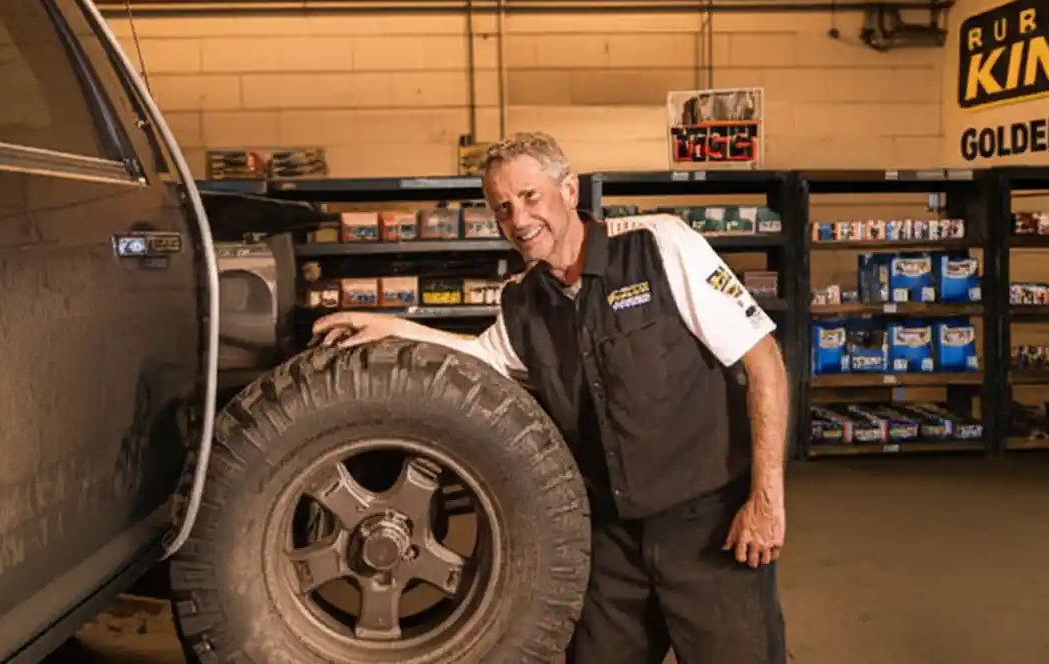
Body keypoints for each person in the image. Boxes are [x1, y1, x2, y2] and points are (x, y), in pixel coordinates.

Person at [312, 132, 789, 664]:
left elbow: (762, 359)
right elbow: (481, 360)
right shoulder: (524, 300)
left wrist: (766, 500)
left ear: (569, 189)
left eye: (530, 197)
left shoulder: (659, 245)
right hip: (610, 540)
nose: (518, 221)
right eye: (503, 209)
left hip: (709, 527)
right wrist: (391, 327)